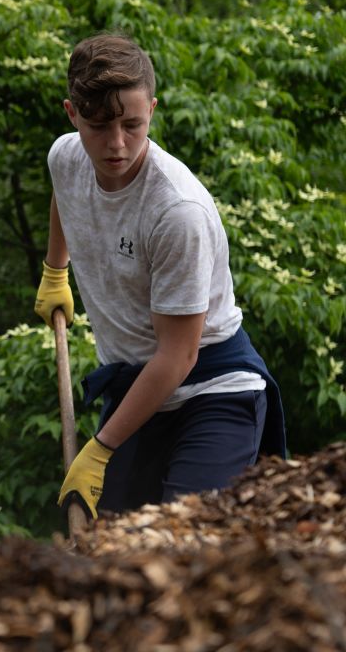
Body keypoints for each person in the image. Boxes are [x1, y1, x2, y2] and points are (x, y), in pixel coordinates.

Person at [35, 32, 285, 520]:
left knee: (182, 541)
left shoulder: (177, 210)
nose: (116, 144)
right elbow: (66, 192)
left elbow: (179, 355)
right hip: (140, 388)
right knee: (111, 550)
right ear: (72, 114)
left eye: (133, 124)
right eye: (98, 126)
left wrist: (101, 448)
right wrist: (54, 270)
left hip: (210, 389)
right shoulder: (66, 156)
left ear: (152, 107)